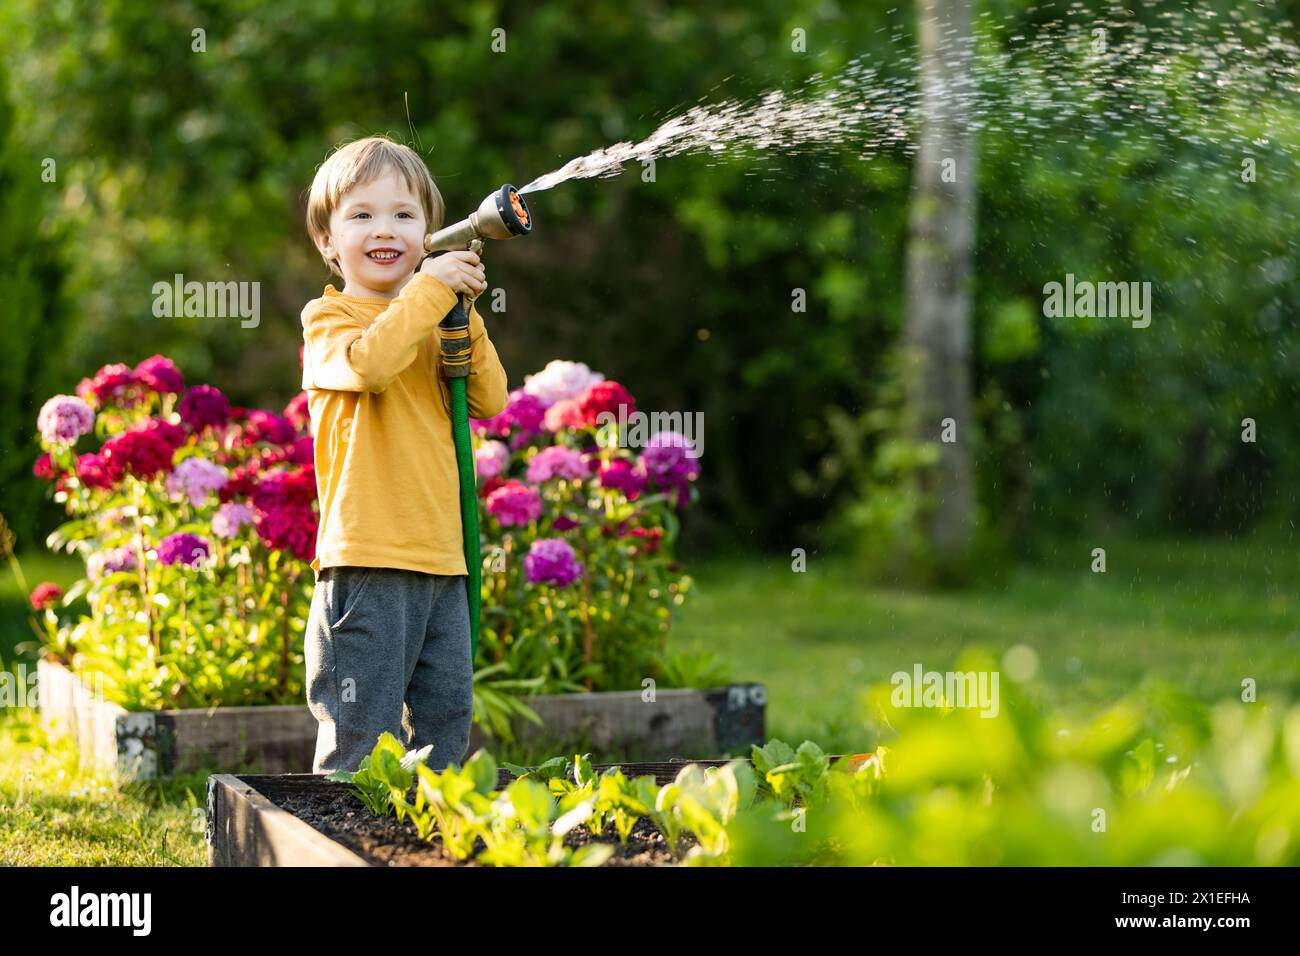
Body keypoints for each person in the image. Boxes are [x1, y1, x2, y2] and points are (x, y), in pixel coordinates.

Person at [299, 134, 508, 774]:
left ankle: (428, 838)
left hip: (442, 559)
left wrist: (460, 312)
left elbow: (490, 399)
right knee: (363, 731)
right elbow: (369, 366)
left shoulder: (433, 315)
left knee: (445, 721)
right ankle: (338, 844)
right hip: (366, 561)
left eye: (403, 215)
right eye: (361, 215)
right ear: (328, 243)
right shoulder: (329, 321)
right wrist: (427, 294)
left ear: (429, 234)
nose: (383, 228)